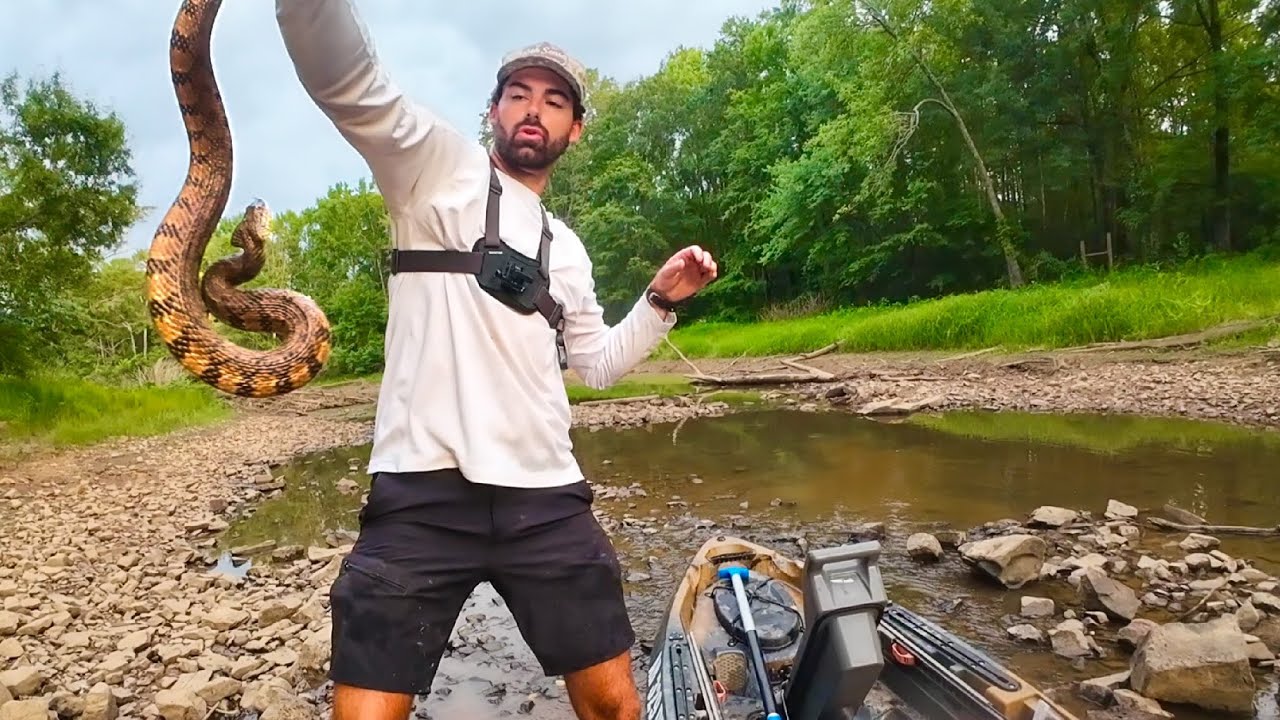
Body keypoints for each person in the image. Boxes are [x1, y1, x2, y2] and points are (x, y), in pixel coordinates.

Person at [274, 2, 718, 719]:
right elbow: (346, 79)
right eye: (519, 94)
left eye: (554, 100)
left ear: (575, 128)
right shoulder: (431, 171)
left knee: (615, 706)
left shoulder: (567, 248)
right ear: (494, 111)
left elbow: (596, 366)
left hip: (545, 500)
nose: (533, 110)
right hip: (418, 495)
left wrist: (660, 302)